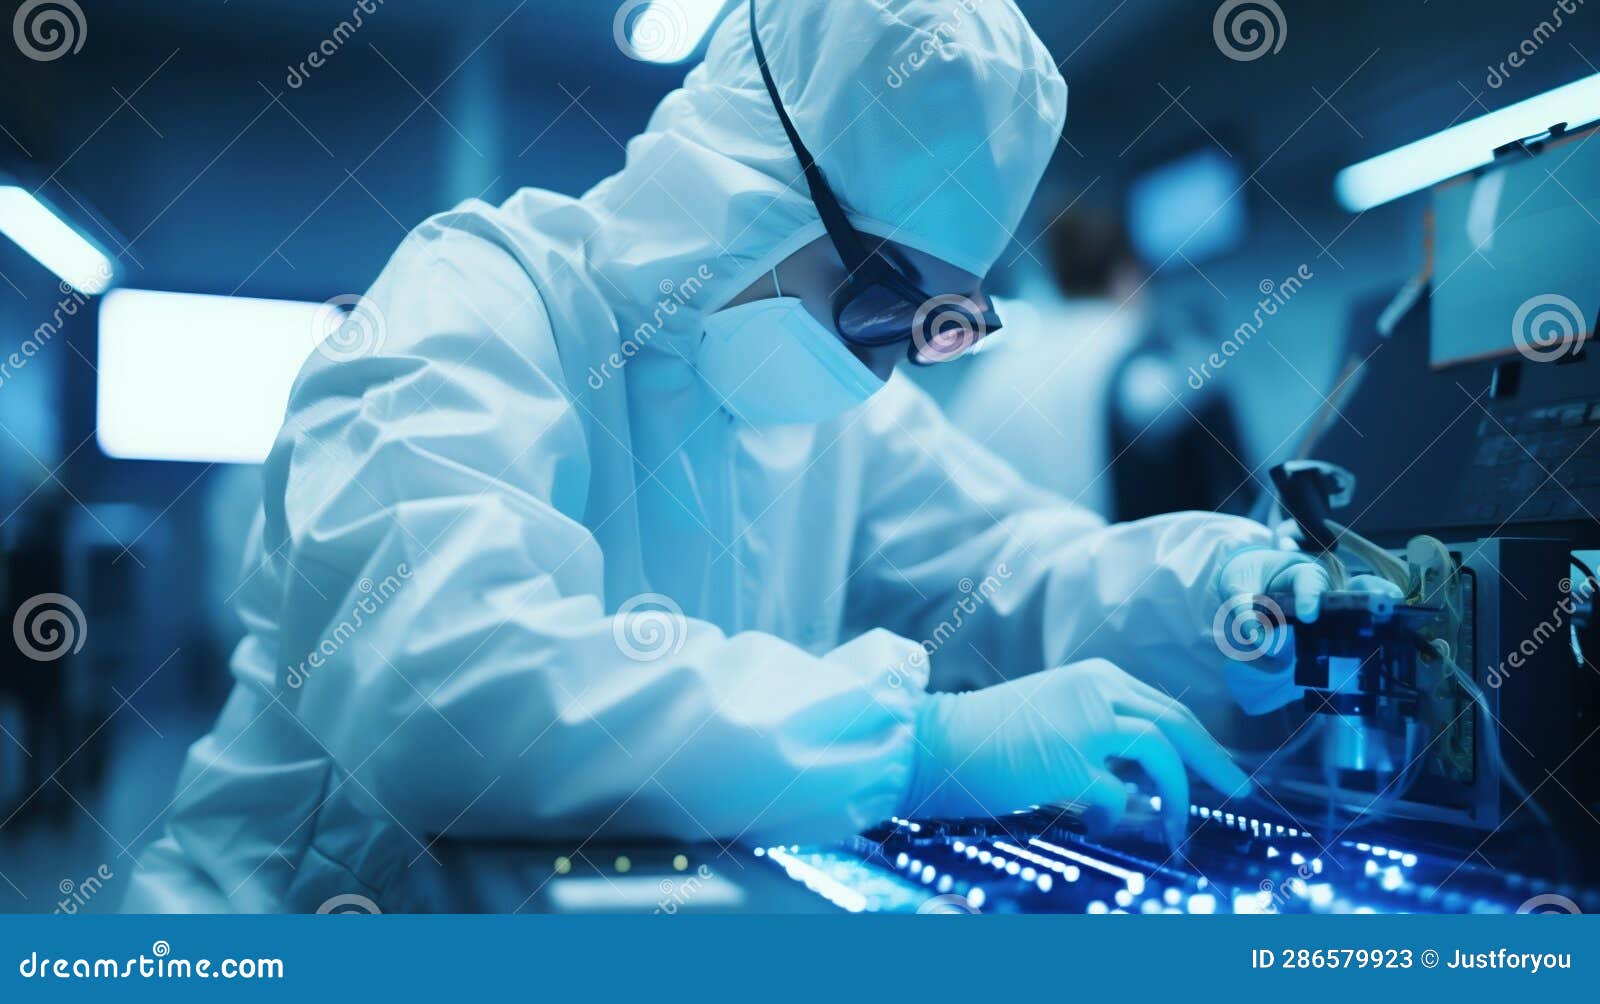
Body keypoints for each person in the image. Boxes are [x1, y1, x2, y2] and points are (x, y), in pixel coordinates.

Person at [125, 0, 1374, 913]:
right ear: (754, 178)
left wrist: (1224, 595)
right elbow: (449, 688)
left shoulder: (825, 402)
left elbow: (1013, 568)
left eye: (935, 319)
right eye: (883, 292)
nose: (886, 360)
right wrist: (921, 745)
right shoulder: (478, 305)